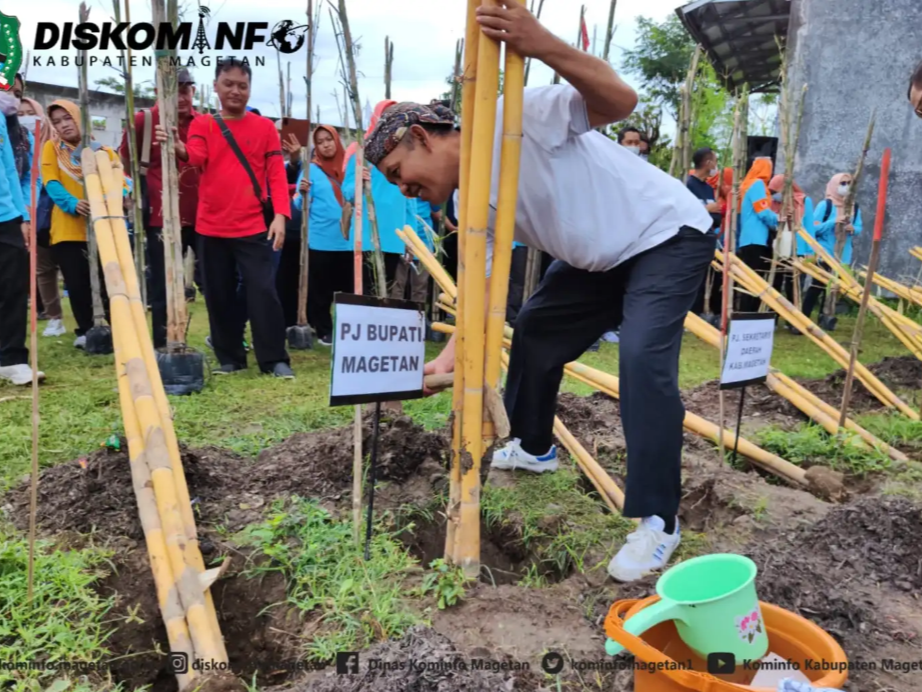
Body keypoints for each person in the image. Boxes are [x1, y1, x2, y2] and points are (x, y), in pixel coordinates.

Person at [366, 0, 715, 583]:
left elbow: (620, 101)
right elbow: (478, 287)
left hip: (665, 236)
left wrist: (539, 41)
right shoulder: (463, 204)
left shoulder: (514, 114)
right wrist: (447, 361)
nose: (406, 190)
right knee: (535, 328)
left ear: (423, 137)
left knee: (641, 360)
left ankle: (659, 518)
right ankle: (533, 445)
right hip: (598, 261)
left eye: (401, 173)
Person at [157, 59, 293, 378]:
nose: (235, 90)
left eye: (242, 85)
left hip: (253, 226)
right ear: (216, 87)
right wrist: (179, 147)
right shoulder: (204, 124)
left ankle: (274, 358)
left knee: (263, 291)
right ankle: (229, 357)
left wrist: (281, 216)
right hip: (211, 226)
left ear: (249, 89)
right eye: (228, 84)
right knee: (217, 294)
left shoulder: (264, 128)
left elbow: (275, 173)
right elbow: (198, 155)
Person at [120, 67, 201, 350]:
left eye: (185, 89)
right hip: (160, 217)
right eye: (174, 89)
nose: (181, 96)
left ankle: (224, 342)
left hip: (201, 215)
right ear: (159, 92)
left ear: (193, 91)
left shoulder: (203, 123)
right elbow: (127, 160)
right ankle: (162, 344)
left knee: (215, 283)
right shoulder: (145, 120)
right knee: (163, 285)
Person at [41, 99, 115, 349]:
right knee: (76, 281)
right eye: (57, 122)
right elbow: (50, 181)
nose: (63, 125)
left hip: (103, 226)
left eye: (68, 118)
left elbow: (120, 180)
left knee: (108, 278)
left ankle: (114, 328)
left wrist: (105, 201)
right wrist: (72, 203)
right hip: (67, 228)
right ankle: (85, 330)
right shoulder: (51, 148)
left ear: (79, 117)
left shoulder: (102, 150)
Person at [292, 124, 351, 346]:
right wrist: (303, 193)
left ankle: (347, 328)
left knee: (349, 290)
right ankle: (324, 330)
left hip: (348, 240)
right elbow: (297, 204)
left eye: (329, 139)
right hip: (321, 240)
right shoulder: (311, 170)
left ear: (337, 140)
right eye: (320, 141)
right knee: (321, 290)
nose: (326, 144)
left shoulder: (351, 166)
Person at [0, 86, 43, 385]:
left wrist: (24, 215)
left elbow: (11, 170)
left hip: (6, 214)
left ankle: (11, 359)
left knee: (13, 287)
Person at [343, 100, 406, 295]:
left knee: (386, 292)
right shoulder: (360, 154)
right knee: (363, 292)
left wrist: (411, 238)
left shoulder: (405, 157)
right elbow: (347, 192)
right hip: (365, 235)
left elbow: (409, 200)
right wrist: (359, 184)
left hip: (394, 236)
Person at [19, 96, 65, 338]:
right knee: (43, 270)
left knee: (72, 268)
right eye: (20, 113)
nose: (26, 118)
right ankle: (54, 317)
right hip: (34, 216)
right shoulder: (17, 147)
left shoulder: (59, 144)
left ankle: (91, 319)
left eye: (30, 112)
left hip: (61, 213)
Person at [803, 173, 862, 320]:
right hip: (825, 252)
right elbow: (813, 228)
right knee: (818, 285)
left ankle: (825, 317)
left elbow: (859, 227)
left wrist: (852, 228)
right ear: (834, 185)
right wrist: (834, 221)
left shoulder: (854, 206)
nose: (846, 187)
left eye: (849, 183)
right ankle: (804, 316)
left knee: (834, 288)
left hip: (843, 253)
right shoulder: (826, 205)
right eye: (842, 183)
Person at [767, 174, 813, 333]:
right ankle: (771, 318)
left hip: (798, 249)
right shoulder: (774, 202)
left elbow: (809, 227)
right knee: (775, 283)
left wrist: (809, 251)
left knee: (794, 285)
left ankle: (793, 320)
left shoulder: (804, 201)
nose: (775, 193)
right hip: (779, 249)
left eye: (777, 190)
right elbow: (771, 224)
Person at [735, 158, 779, 312]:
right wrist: (779, 219)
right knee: (755, 280)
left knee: (751, 279)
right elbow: (763, 212)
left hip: (748, 238)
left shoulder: (747, 185)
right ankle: (749, 313)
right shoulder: (757, 185)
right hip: (757, 239)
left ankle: (746, 312)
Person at [686, 148, 723, 316]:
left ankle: (705, 312)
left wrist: (710, 212)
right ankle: (691, 314)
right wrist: (706, 209)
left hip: (709, 237)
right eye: (714, 161)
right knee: (693, 278)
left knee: (712, 277)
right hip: (692, 240)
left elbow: (716, 215)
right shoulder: (687, 185)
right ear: (708, 163)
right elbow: (685, 212)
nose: (716, 165)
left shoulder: (708, 188)